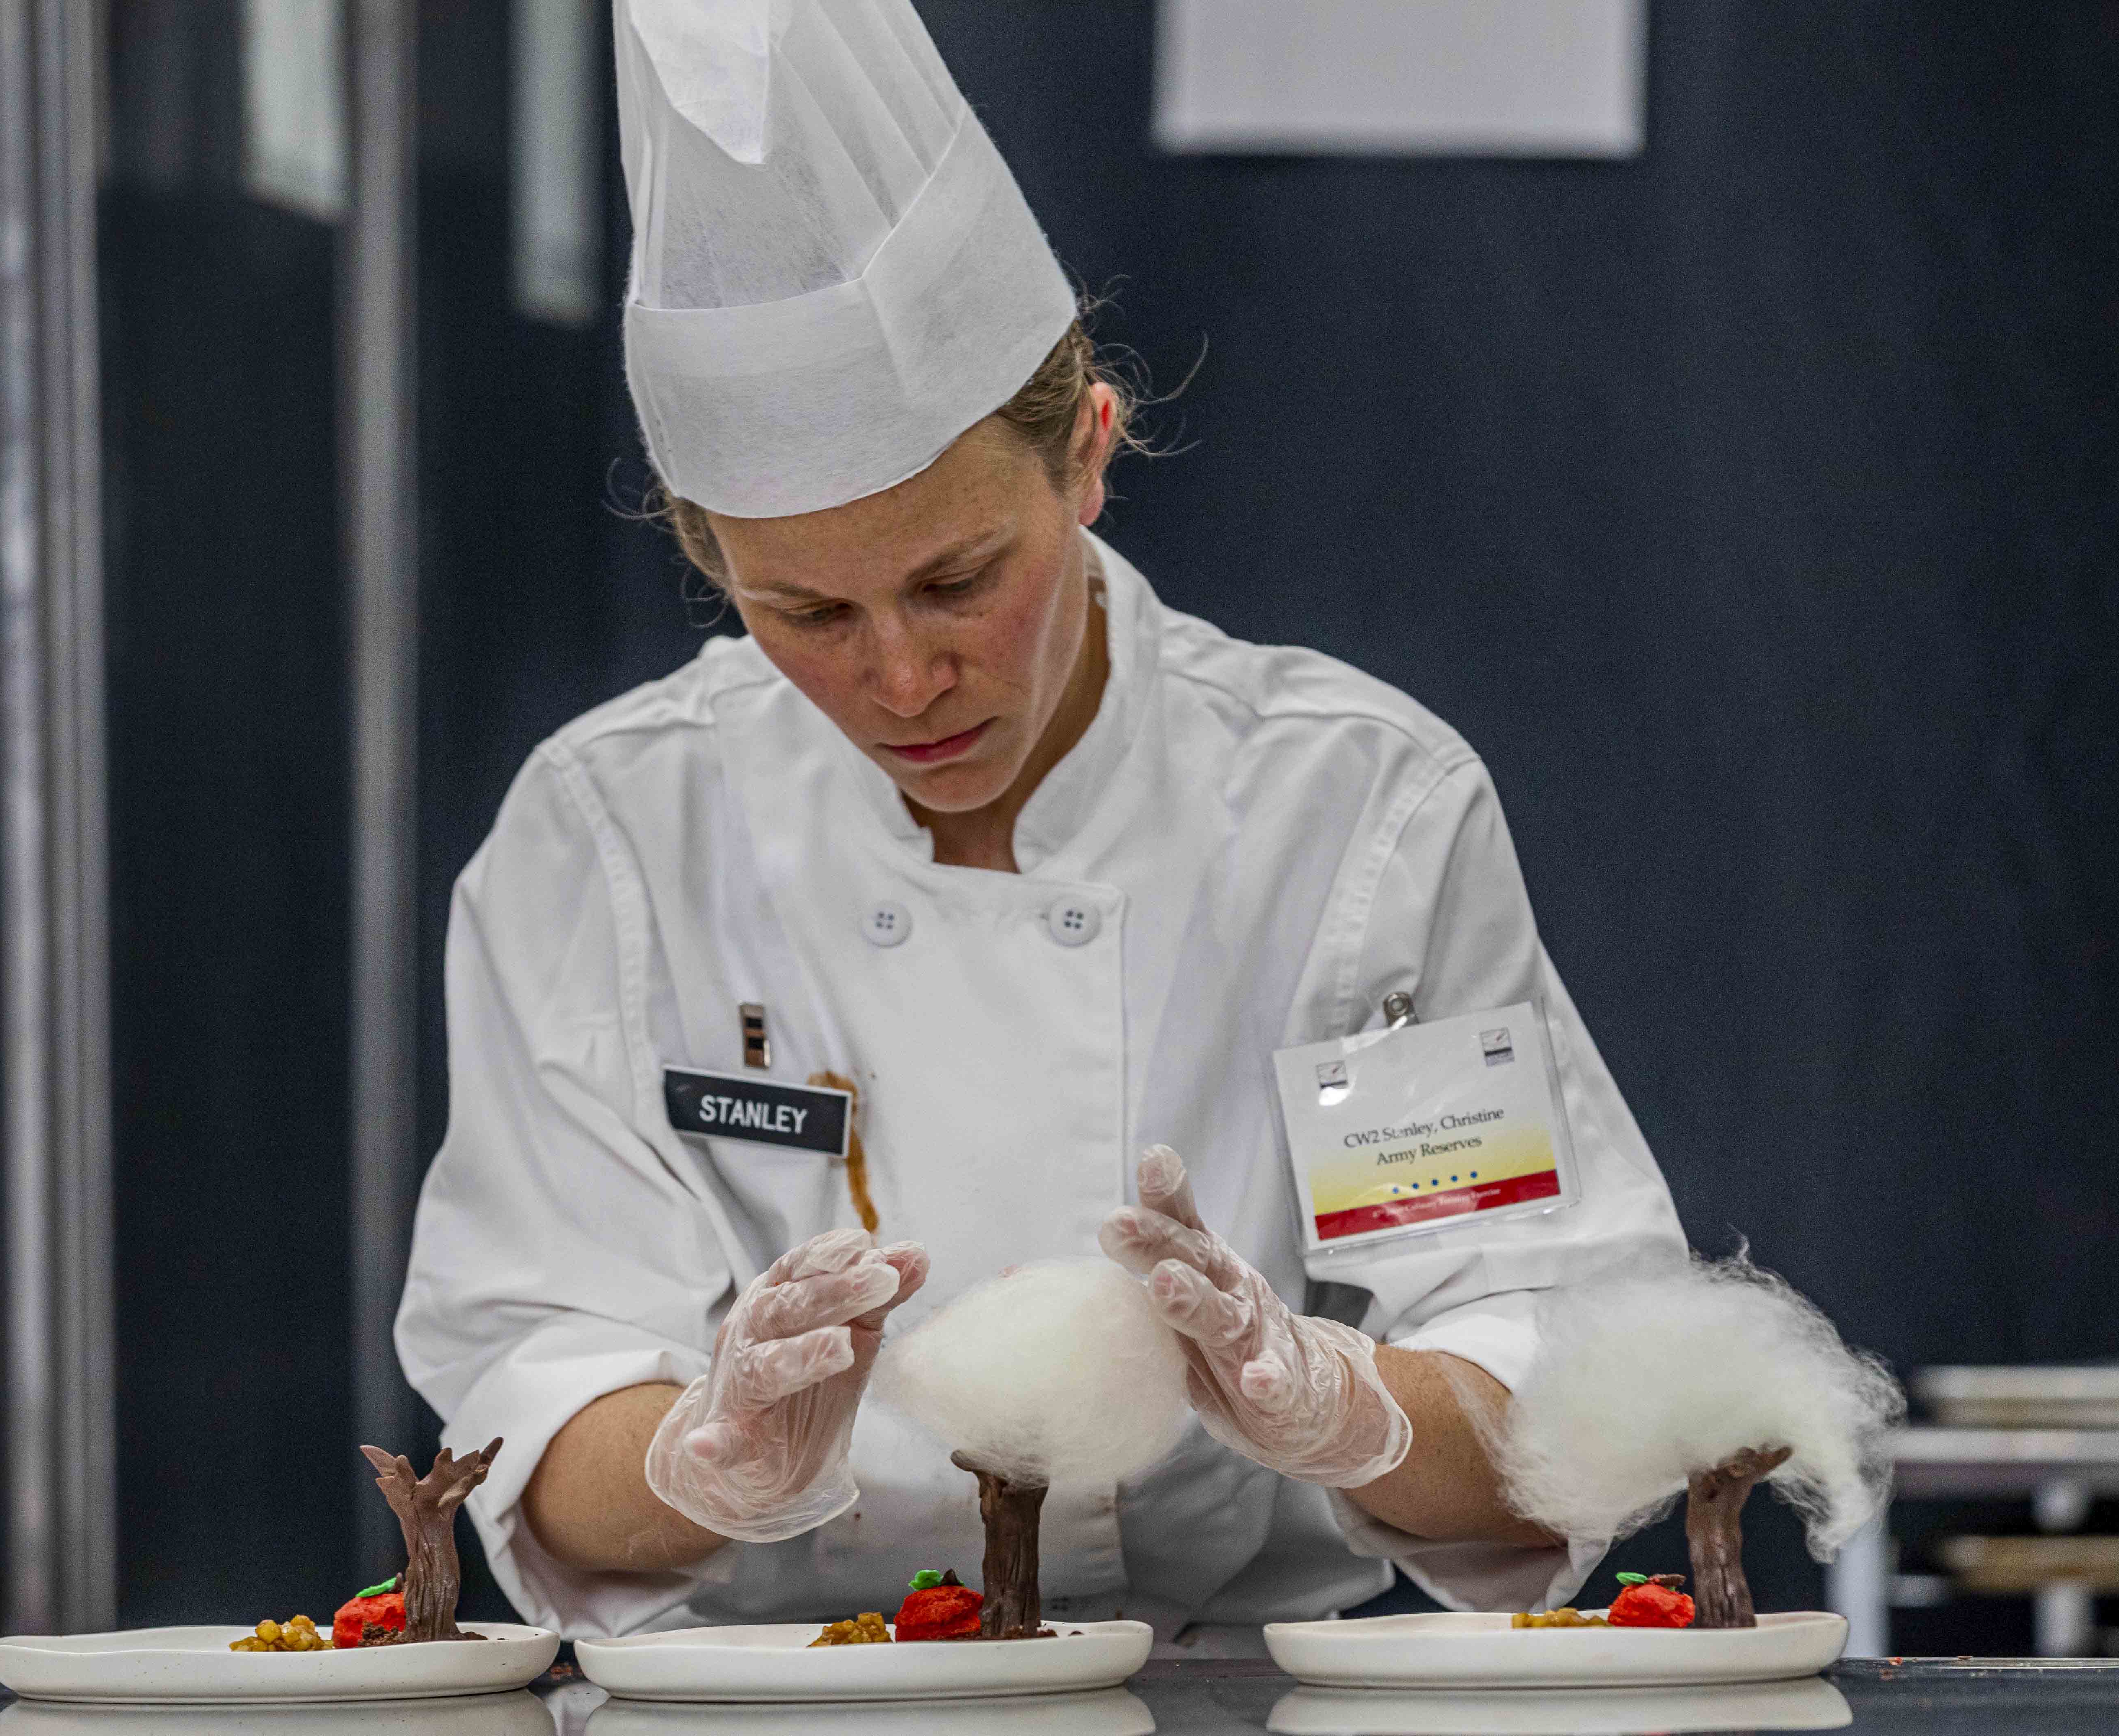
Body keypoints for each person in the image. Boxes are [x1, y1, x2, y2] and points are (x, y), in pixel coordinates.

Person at [394, 0, 1688, 1649]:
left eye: (957, 578)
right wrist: (705, 1456)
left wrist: (1334, 1404)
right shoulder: (610, 835)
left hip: (1237, 1694)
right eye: (800, 609)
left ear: (1085, 455)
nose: (899, 673)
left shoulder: (1345, 814)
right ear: (710, 558)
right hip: (776, 1704)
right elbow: (531, 1391)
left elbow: (1541, 1386)